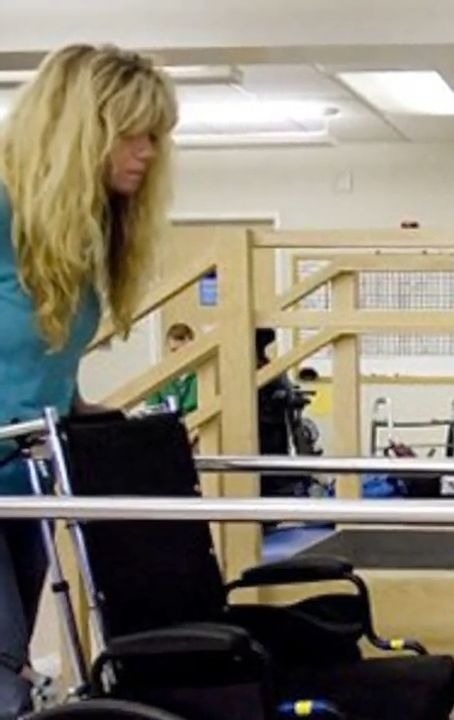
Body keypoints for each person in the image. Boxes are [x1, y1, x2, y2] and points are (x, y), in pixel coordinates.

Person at [0, 43, 178, 718]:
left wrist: (85, 414)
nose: (149, 152)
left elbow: (38, 356)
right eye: (133, 133)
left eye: (156, 136)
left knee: (10, 667)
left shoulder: (71, 228)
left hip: (23, 481)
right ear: (81, 131)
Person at [146, 322, 200, 416]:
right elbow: (152, 408)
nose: (178, 355)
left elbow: (192, 407)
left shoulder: (201, 373)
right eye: (174, 350)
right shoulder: (160, 376)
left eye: (183, 350)